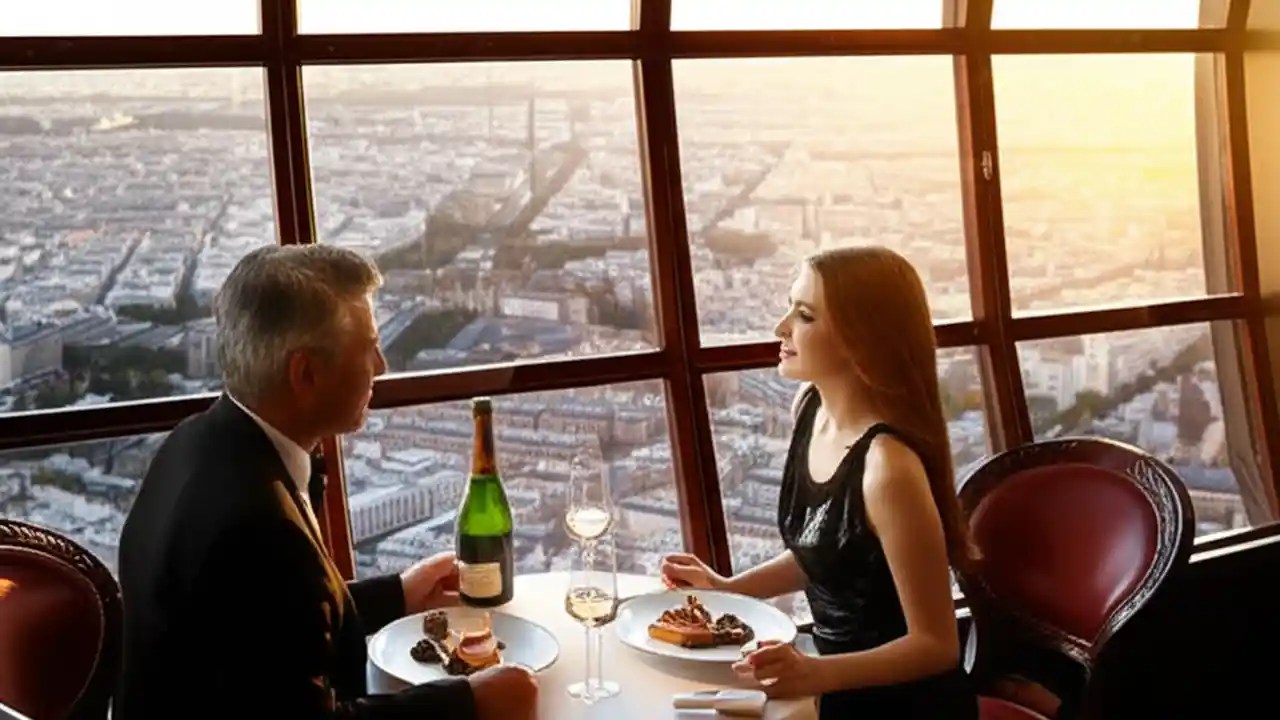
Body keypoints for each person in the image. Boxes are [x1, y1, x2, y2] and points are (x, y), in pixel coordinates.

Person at [115, 245, 537, 720]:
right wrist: (469, 702)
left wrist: (397, 594)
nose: (381, 366)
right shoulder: (258, 530)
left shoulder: (193, 445)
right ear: (306, 373)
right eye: (368, 348)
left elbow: (261, 630)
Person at [661, 246, 979, 718]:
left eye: (804, 315)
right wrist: (728, 587)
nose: (781, 327)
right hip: (833, 684)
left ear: (861, 339)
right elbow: (828, 552)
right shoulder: (810, 410)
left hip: (902, 707)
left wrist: (813, 674)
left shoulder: (888, 468)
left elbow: (936, 646)